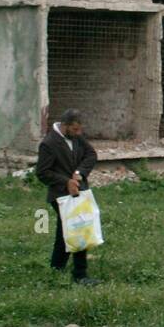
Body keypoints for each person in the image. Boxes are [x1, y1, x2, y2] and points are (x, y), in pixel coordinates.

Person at [36, 109, 100, 285]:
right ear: (65, 126)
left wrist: (80, 173)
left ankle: (56, 268)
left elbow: (91, 155)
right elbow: (42, 173)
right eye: (75, 130)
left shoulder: (76, 137)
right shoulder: (49, 144)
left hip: (79, 193)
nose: (79, 134)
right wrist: (66, 182)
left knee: (65, 231)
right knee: (79, 229)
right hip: (60, 196)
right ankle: (80, 275)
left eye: (80, 130)